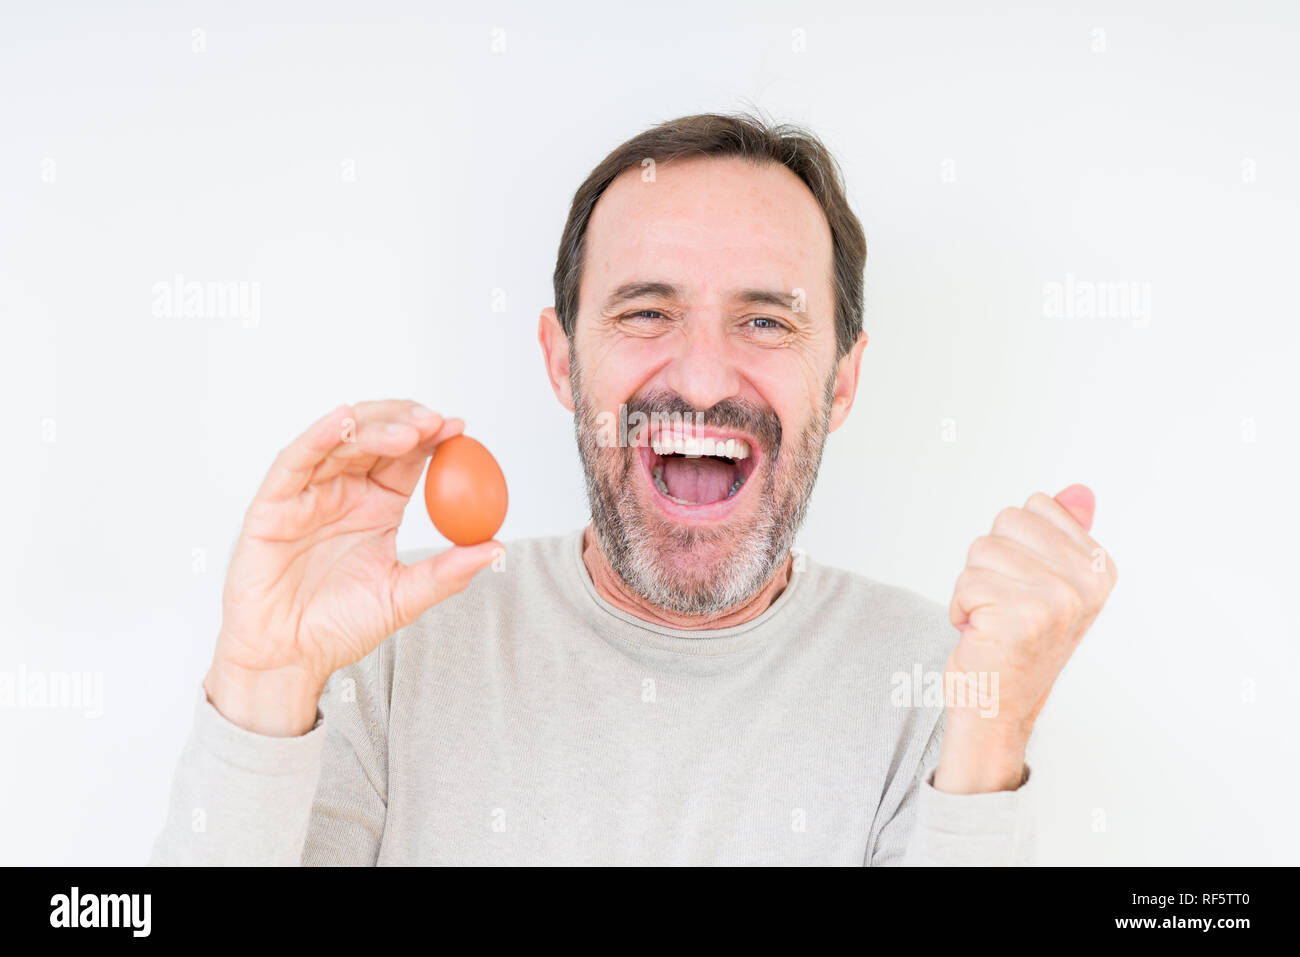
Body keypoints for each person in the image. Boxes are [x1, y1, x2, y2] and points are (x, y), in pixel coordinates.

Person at [149, 112, 1116, 866]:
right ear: (563, 360)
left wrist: (992, 734)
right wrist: (264, 683)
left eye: (768, 323)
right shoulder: (392, 642)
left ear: (844, 379)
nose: (701, 379)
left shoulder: (934, 679)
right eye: (647, 310)